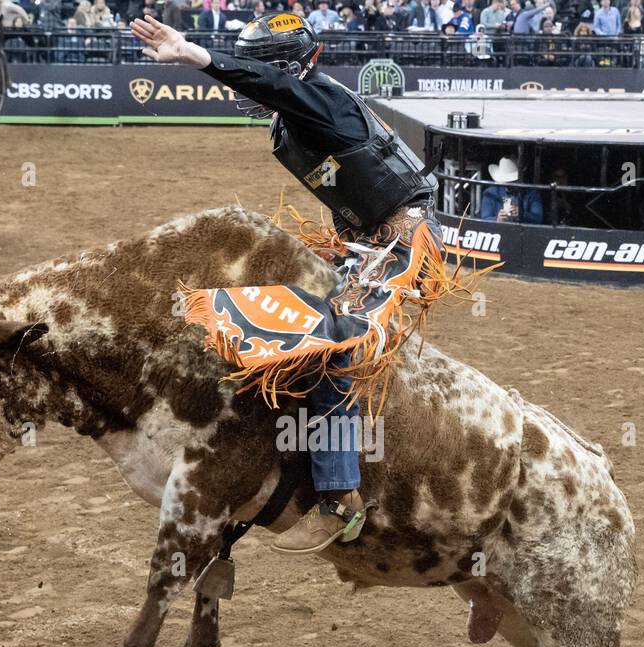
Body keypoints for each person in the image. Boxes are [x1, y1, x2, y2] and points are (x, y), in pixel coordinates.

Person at [131, 12, 443, 553]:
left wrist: (193, 54)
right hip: (361, 239)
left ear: (289, 69)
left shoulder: (319, 100)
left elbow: (273, 86)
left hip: (403, 242)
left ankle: (340, 498)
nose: (250, 80)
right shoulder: (296, 114)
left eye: (259, 68)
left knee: (335, 346)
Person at [479, 157, 545, 224]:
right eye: (507, 181)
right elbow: (485, 218)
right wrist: (497, 219)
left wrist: (522, 214)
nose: (509, 183)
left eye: (513, 180)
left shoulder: (532, 193)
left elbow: (538, 219)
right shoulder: (490, 193)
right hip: (498, 231)